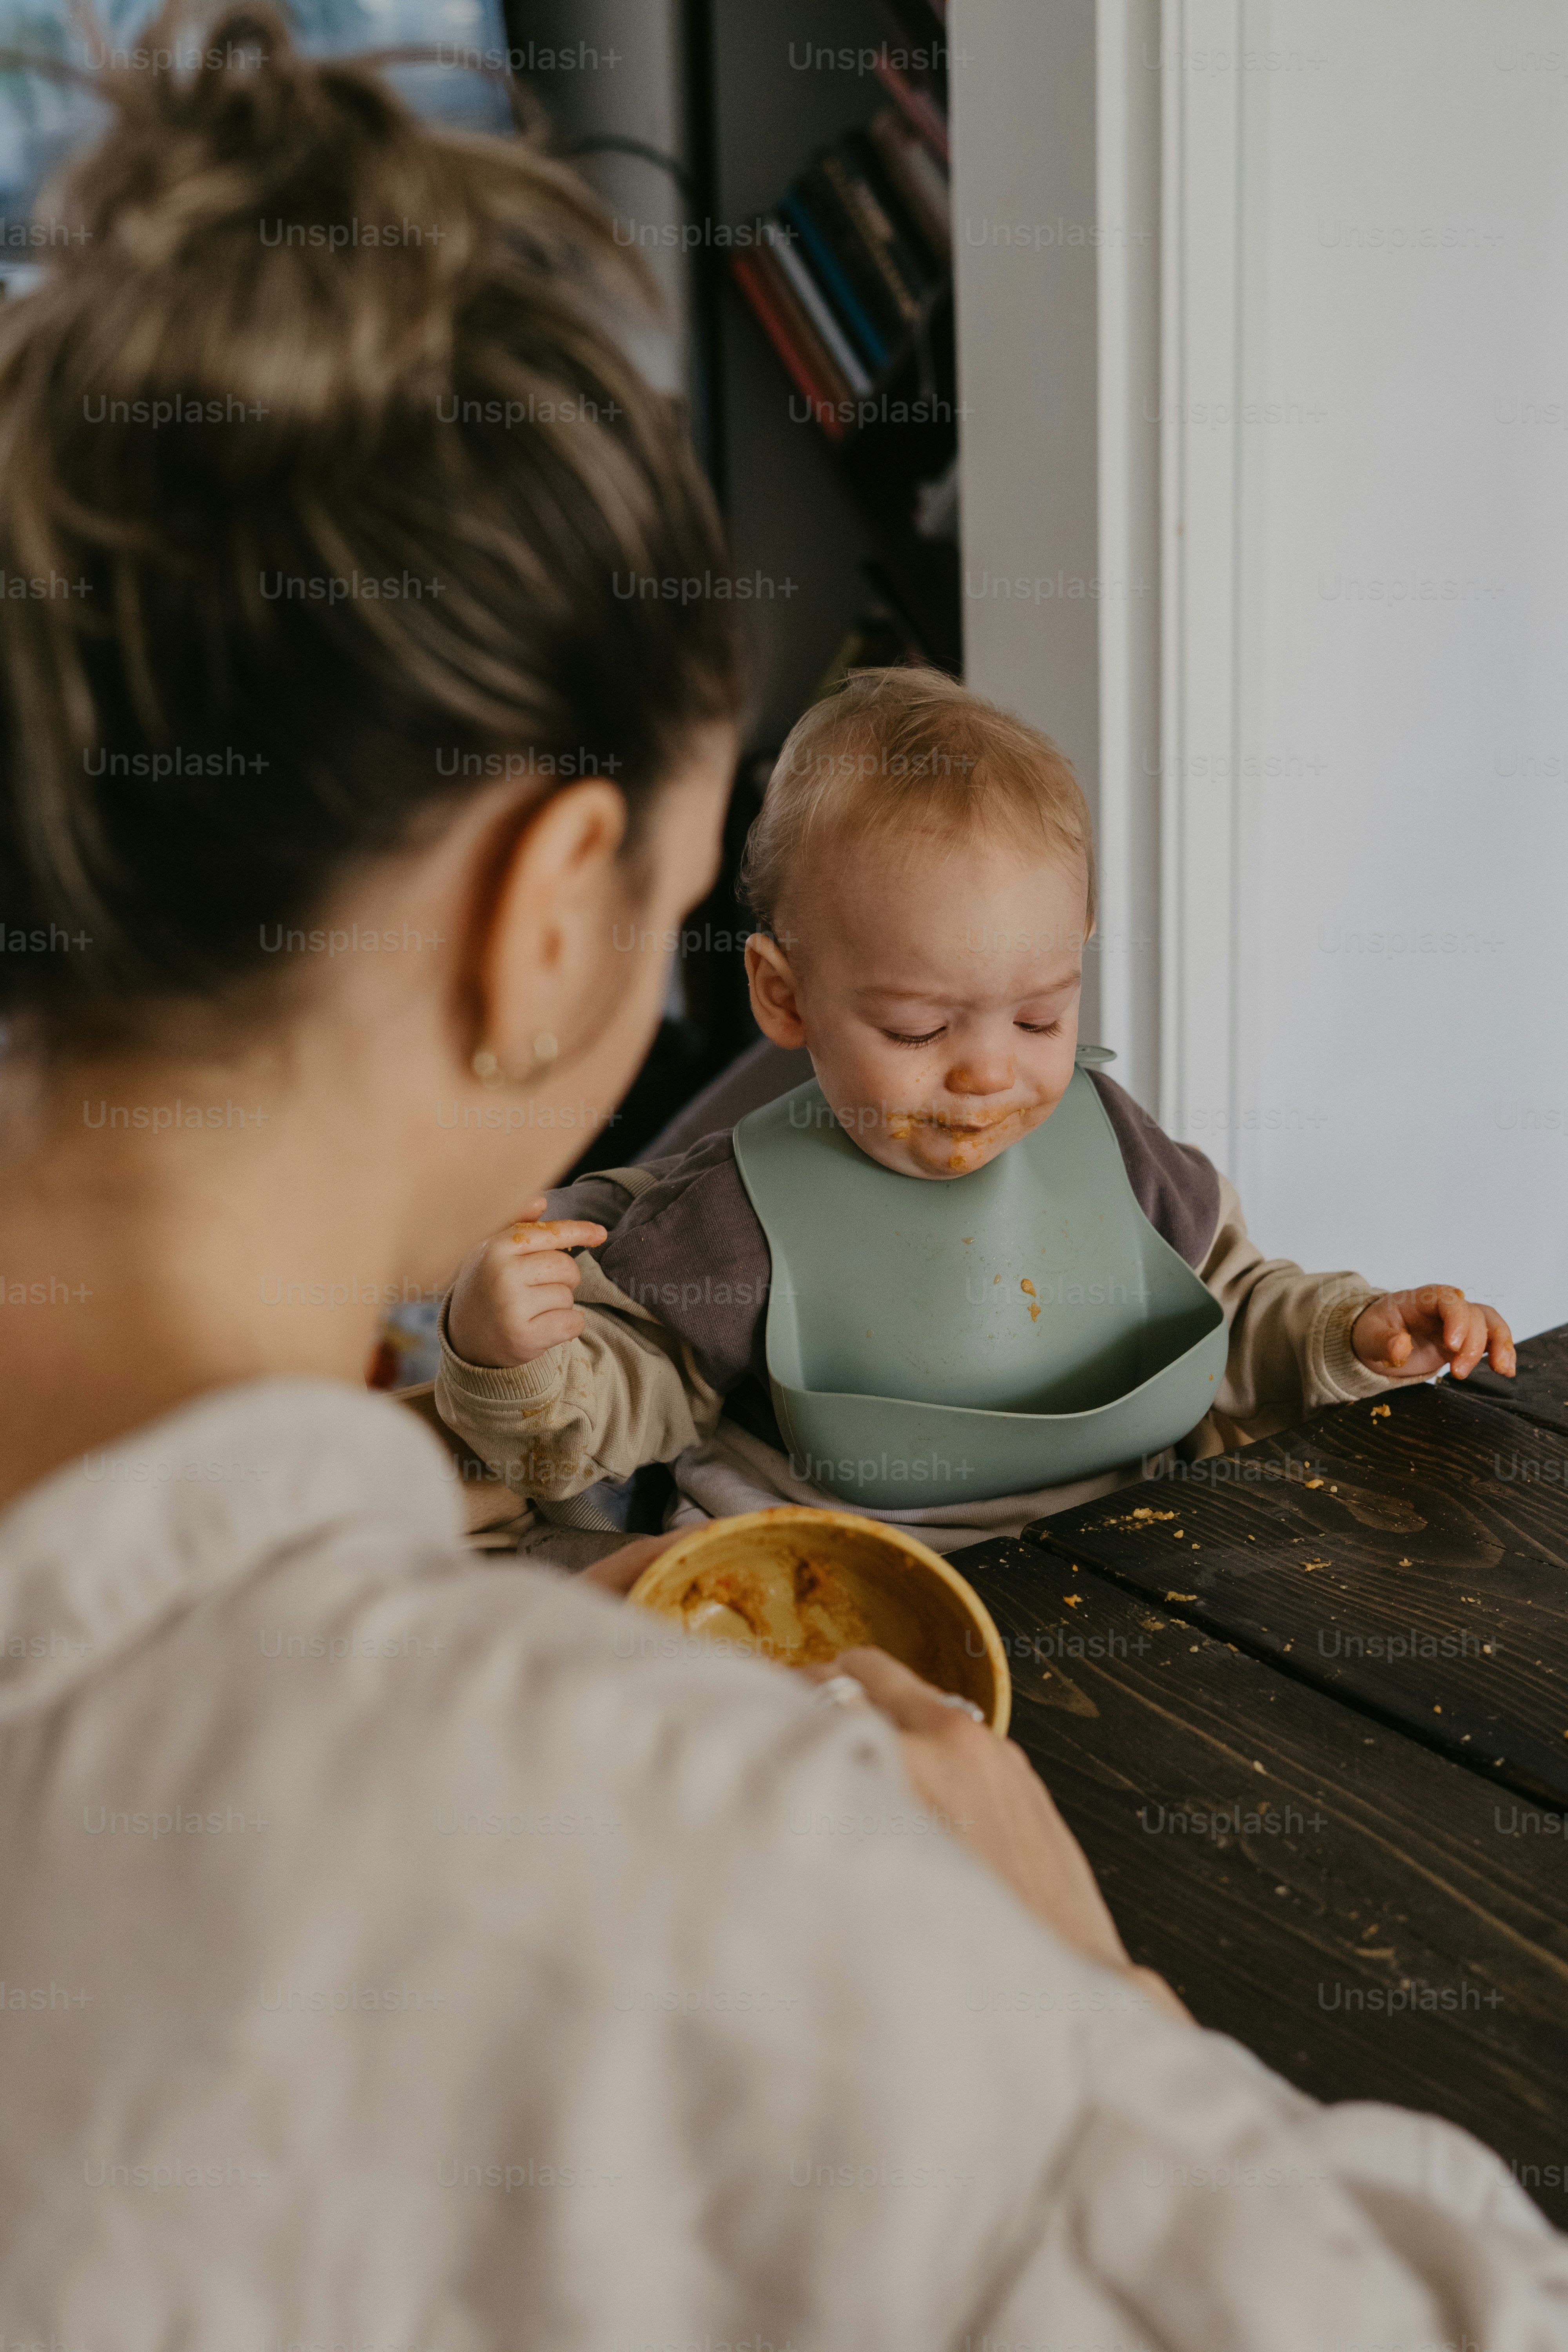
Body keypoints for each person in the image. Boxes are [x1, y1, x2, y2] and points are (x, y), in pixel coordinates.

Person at [0, 13, 1560, 2341]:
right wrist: (1074, 1990)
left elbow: (1228, 1294)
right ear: (555, 919)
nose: (983, 1072)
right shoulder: (689, 1845)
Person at [436, 668, 1516, 1555]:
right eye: (919, 1031)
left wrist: (1351, 1333)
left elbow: (1233, 1308)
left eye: (1041, 1019)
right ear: (784, 996)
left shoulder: (1116, 1151)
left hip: (1124, 1571)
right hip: (831, 1611)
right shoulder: (734, 1218)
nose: (990, 1075)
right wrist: (512, 1358)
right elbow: (583, 1441)